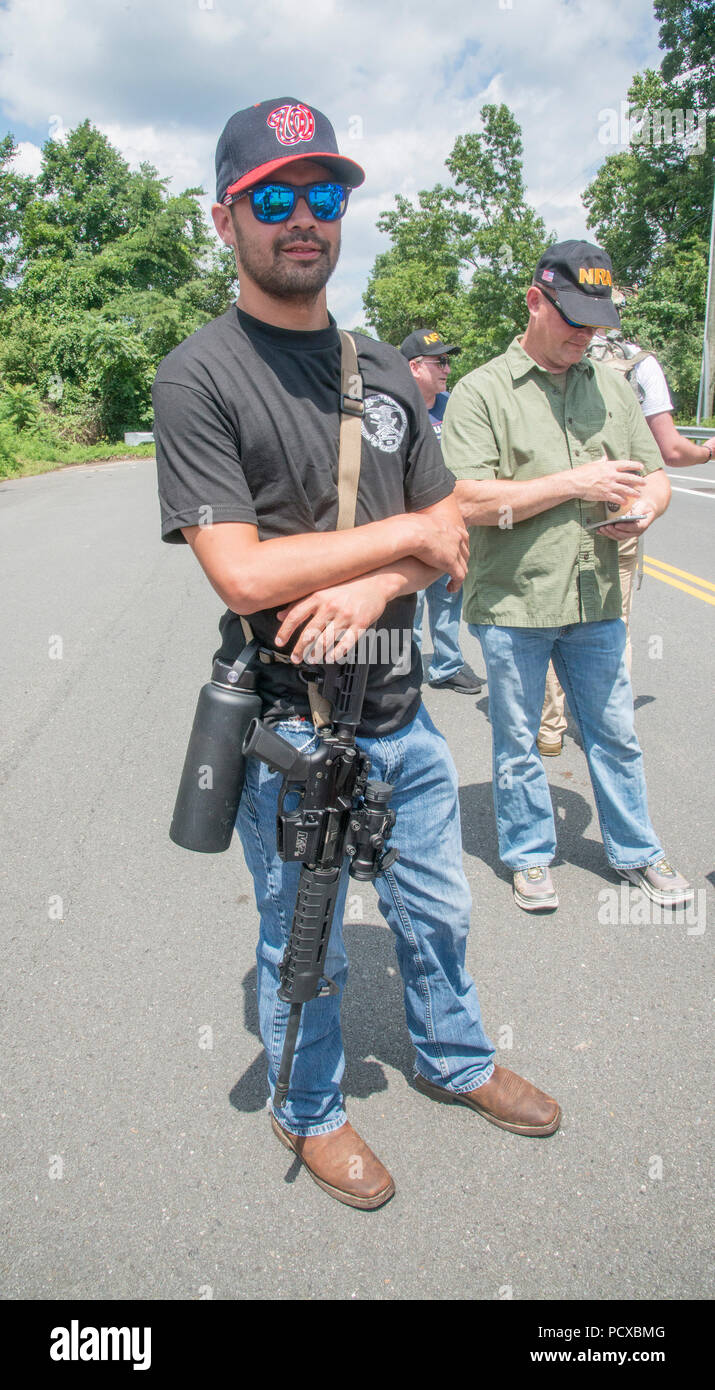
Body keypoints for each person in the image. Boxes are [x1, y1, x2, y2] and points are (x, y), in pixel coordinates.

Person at [153, 98, 561, 1211]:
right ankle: (309, 1104)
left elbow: (447, 539)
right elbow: (240, 573)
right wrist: (404, 537)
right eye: (273, 198)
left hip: (403, 711)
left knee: (438, 911)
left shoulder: (380, 369)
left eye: (322, 196)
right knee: (310, 943)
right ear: (225, 218)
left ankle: (457, 1059)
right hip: (290, 729)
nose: (302, 219)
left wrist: (382, 575)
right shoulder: (199, 376)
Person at [441, 239, 694, 915]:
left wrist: (643, 508)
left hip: (597, 599)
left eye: (596, 324)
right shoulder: (481, 392)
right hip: (515, 601)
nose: (586, 336)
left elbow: (658, 473)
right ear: (533, 301)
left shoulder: (610, 387)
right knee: (518, 739)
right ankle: (527, 855)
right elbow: (467, 501)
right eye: (573, 320)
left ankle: (636, 851)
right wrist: (574, 482)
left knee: (613, 733)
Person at [538, 327, 715, 755]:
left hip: (559, 506)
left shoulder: (552, 352)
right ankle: (608, 724)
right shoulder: (643, 364)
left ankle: (549, 728)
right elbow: (671, 451)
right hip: (619, 509)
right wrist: (708, 453)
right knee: (614, 623)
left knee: (551, 620)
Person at [399, 329, 482, 694]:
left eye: (448, 361)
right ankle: (408, 670)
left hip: (452, 521)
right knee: (410, 602)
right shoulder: (395, 405)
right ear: (414, 366)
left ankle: (447, 666)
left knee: (449, 595)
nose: (447, 368)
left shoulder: (453, 406)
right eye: (440, 361)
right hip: (412, 524)